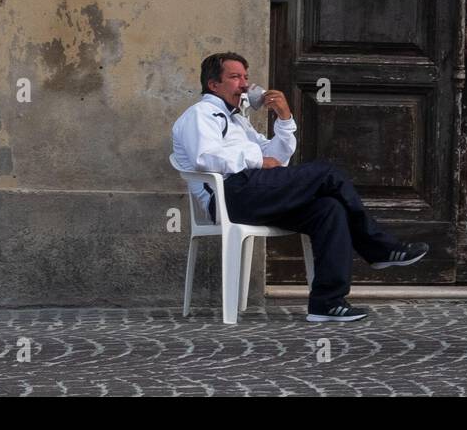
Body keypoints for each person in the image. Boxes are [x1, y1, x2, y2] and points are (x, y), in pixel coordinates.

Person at [171, 52, 428, 322]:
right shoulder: (201, 114)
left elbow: (278, 158)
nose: (245, 84)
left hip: (255, 192)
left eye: (246, 77)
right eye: (235, 77)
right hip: (230, 196)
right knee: (328, 173)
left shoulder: (237, 120)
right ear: (213, 84)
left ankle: (327, 303)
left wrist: (283, 119)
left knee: (328, 209)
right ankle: (379, 248)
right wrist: (257, 160)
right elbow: (204, 157)